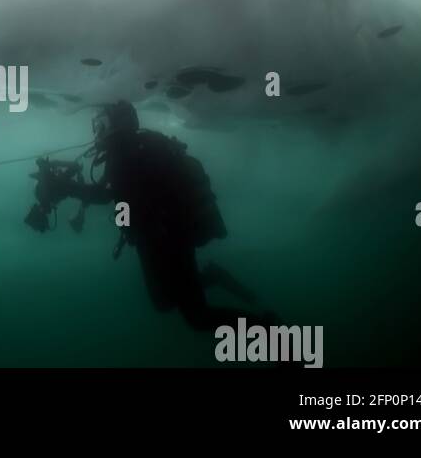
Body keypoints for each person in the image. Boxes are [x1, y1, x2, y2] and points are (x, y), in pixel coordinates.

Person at [27, 100, 277, 332]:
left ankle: (272, 334)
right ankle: (213, 276)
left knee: (198, 317)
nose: (96, 131)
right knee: (163, 302)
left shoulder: (128, 154)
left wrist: (64, 187)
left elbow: (106, 194)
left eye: (100, 124)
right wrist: (65, 187)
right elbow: (111, 191)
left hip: (169, 240)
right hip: (155, 239)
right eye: (96, 125)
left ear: (116, 124)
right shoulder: (132, 149)